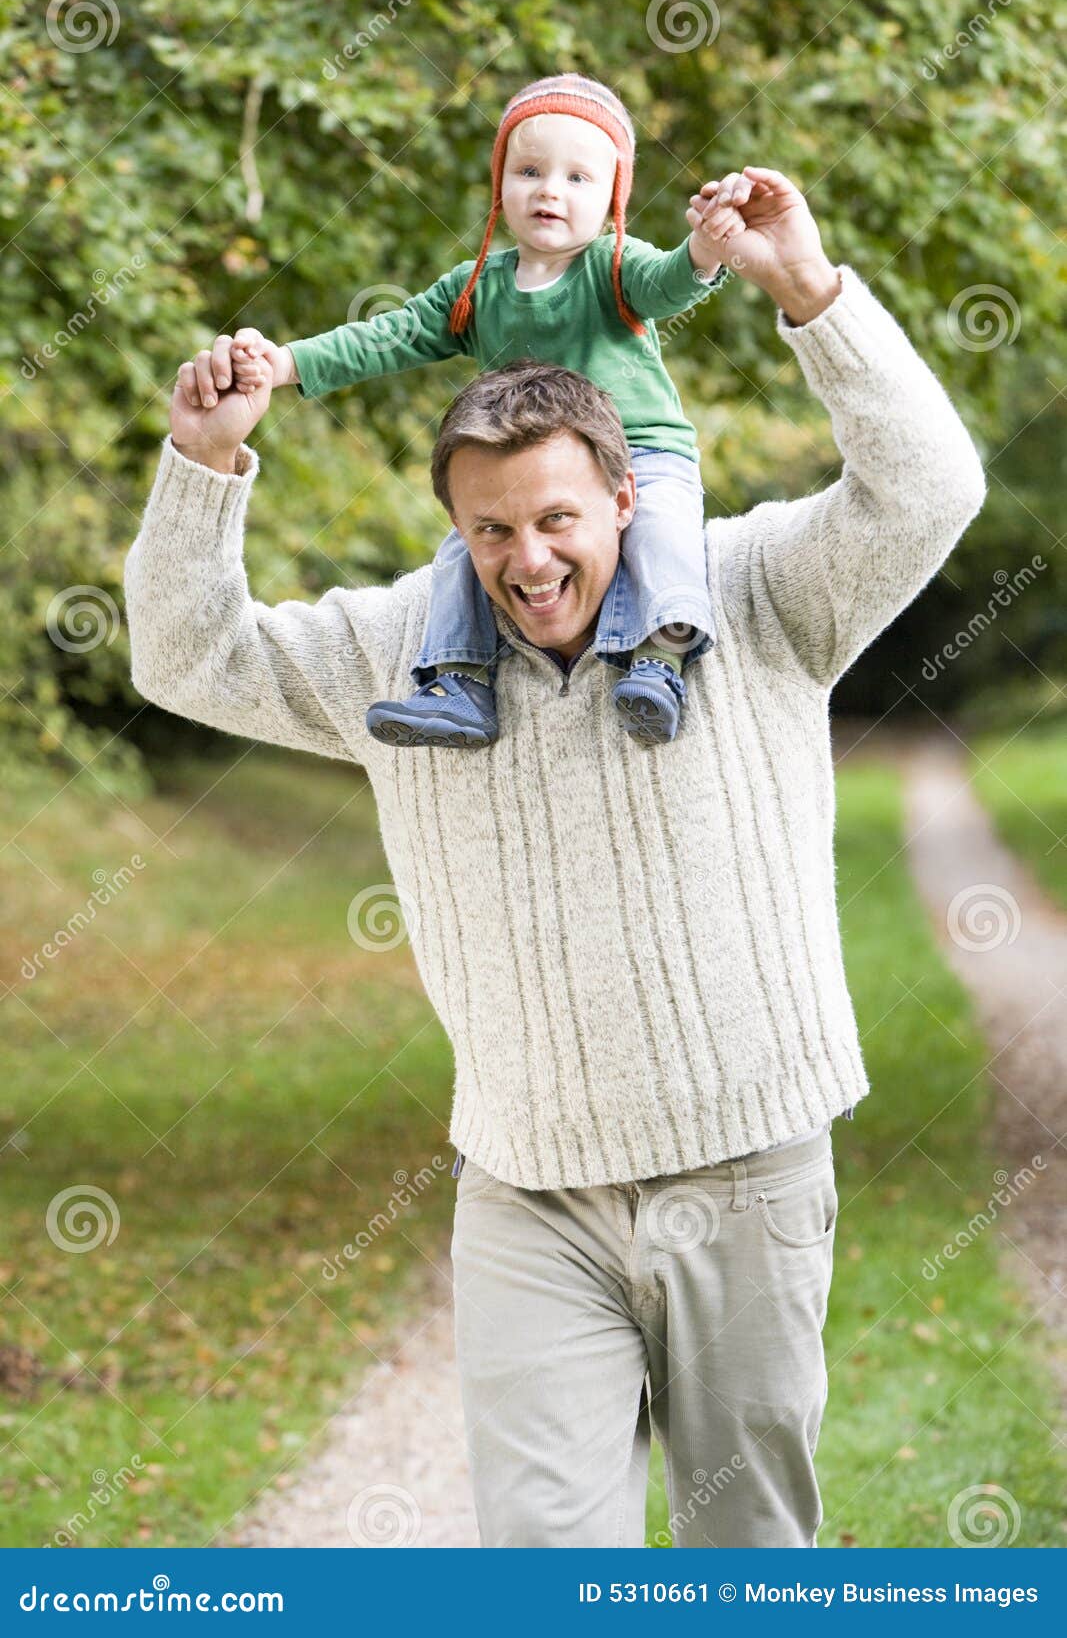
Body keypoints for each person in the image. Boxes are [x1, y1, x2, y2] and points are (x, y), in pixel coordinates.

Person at [123, 166, 985, 1546]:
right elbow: (185, 654)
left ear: (627, 499)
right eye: (489, 529)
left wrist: (806, 294)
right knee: (541, 1572)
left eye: (555, 519)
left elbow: (928, 486)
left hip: (746, 1165)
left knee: (744, 1560)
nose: (525, 560)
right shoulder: (405, 652)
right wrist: (205, 462)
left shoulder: (753, 592)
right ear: (455, 529)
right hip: (527, 1190)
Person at [210, 74, 744, 749]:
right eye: (529, 170)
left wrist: (704, 250)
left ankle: (659, 663)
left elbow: (668, 283)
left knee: (661, 534)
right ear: (501, 187)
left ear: (611, 197)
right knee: (465, 551)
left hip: (639, 450)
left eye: (578, 178)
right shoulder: (474, 288)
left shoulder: (611, 266)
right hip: (523, 477)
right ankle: (459, 685)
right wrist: (285, 364)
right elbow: (390, 335)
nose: (550, 189)